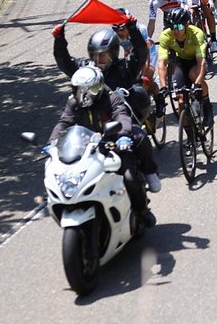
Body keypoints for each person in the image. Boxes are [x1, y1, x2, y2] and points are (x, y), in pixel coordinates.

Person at [49, 66, 158, 225]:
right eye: (79, 89)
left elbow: (122, 116)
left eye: (89, 89)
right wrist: (52, 142)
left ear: (98, 87)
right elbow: (64, 122)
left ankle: (142, 210)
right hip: (86, 148)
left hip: (114, 144)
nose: (84, 94)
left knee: (128, 176)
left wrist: (123, 137)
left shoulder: (111, 98)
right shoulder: (74, 103)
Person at [156, 7, 213, 126]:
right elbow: (162, 62)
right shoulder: (166, 36)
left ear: (187, 25)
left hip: (197, 60)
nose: (175, 31)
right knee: (181, 100)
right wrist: (163, 86)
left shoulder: (197, 34)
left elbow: (201, 61)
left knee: (194, 75)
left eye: (179, 27)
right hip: (181, 61)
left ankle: (207, 108)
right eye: (172, 27)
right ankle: (190, 137)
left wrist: (197, 84)